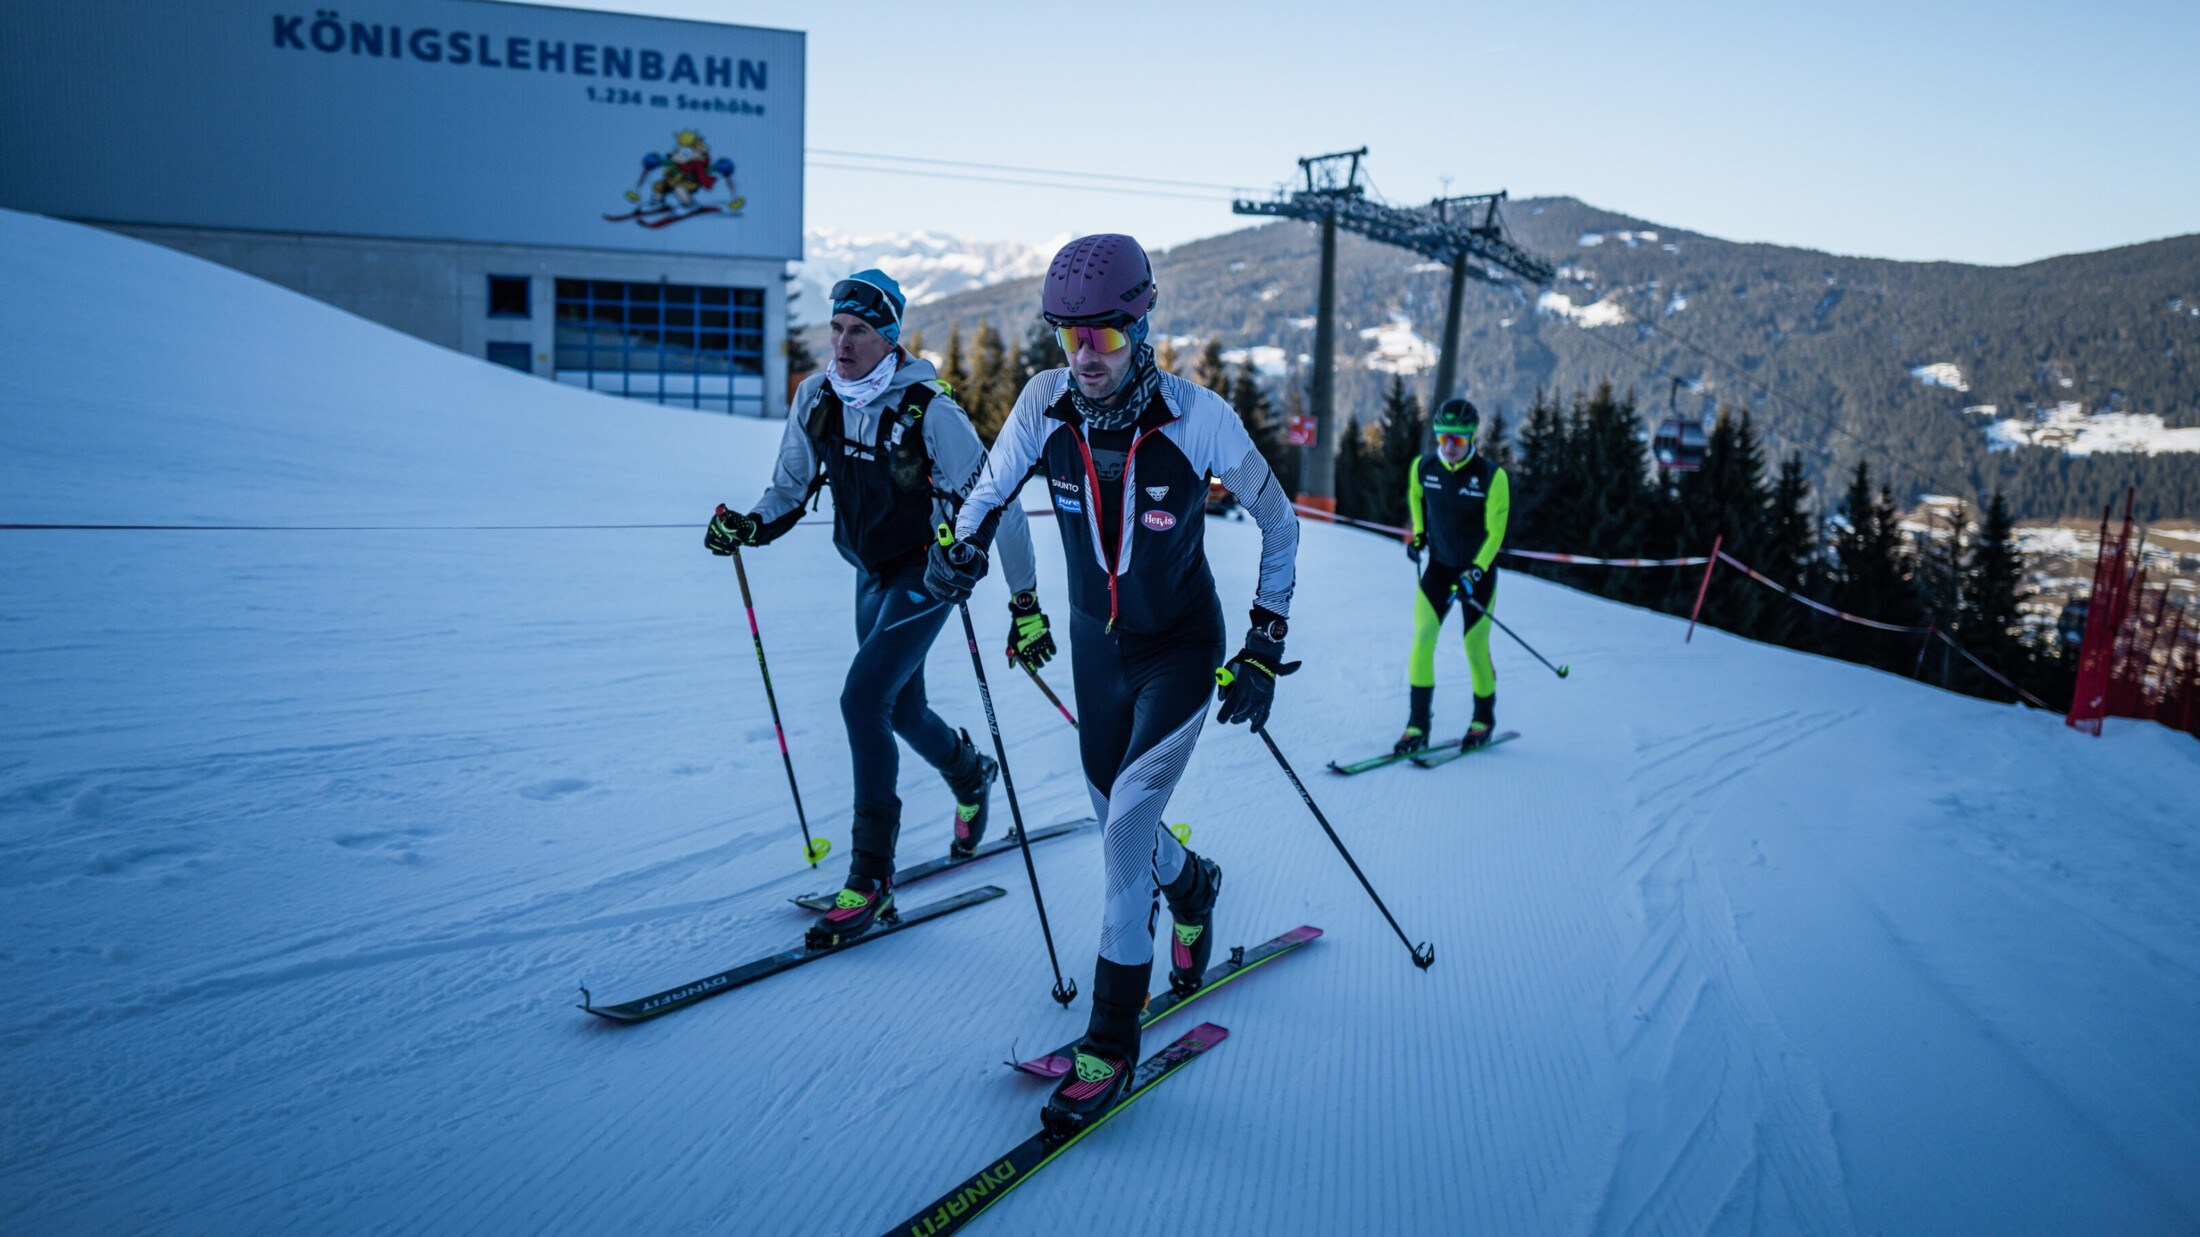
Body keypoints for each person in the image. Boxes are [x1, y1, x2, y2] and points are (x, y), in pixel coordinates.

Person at [927, 234, 1300, 1133]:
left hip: (1179, 647)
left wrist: (1261, 643)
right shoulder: (1042, 403)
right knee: (1120, 835)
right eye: (1068, 336)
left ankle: (1111, 1035)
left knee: (1127, 819)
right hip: (1098, 653)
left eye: (1104, 336)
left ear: (1142, 325)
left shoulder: (1197, 415)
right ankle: (1195, 885)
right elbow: (986, 490)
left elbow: (1280, 523)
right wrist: (964, 545)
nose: (1084, 356)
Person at [704, 269, 1053, 949]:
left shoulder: (930, 410)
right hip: (868, 572)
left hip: (929, 573)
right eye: (835, 328)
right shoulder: (817, 398)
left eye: (858, 330)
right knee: (898, 706)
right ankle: (969, 771)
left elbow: (998, 505)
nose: (842, 343)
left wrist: (1026, 602)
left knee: (862, 699)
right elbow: (789, 487)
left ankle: (871, 875)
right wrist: (748, 525)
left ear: (889, 335)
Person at [1396, 397, 1510, 753]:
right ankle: (1417, 726)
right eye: (1442, 437)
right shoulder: (1424, 467)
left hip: (1478, 572)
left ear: (1471, 438)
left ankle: (1483, 719)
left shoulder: (1492, 476)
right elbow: (1417, 497)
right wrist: (1419, 534)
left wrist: (1475, 572)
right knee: (1424, 637)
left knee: (1474, 647)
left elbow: (1496, 533)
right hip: (1440, 568)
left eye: (1457, 440)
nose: (1449, 445)